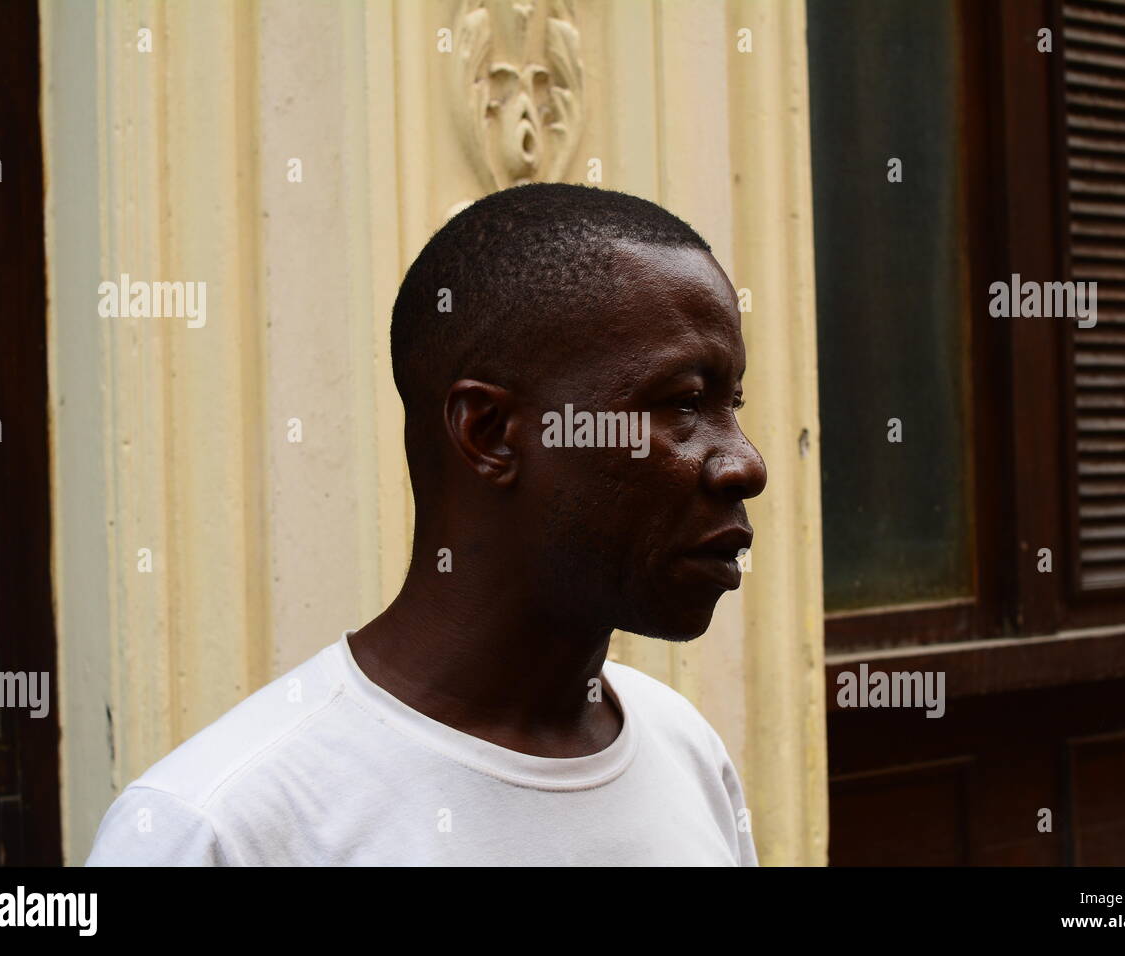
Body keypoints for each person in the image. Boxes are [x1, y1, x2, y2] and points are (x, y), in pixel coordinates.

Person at [86, 183, 767, 866]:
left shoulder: (685, 754)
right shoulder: (219, 830)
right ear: (489, 432)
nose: (745, 464)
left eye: (731, 403)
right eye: (683, 403)